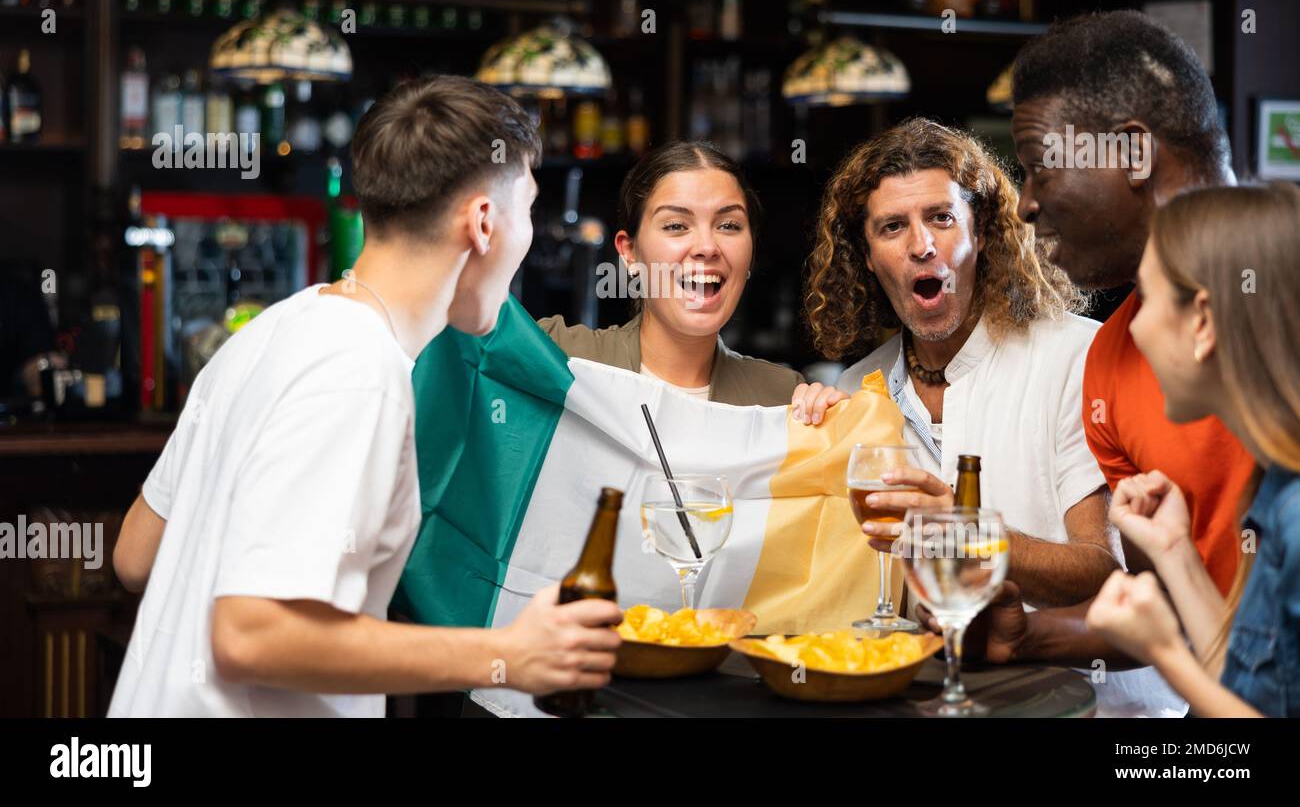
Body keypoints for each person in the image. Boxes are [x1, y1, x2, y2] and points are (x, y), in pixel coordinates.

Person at [109, 76, 623, 716]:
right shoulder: (358, 373)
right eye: (530, 207)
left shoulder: (272, 329)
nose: (529, 233)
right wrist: (506, 655)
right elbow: (249, 633)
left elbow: (134, 555)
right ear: (485, 222)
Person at [798, 118, 1120, 608]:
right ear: (866, 255)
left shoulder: (1076, 359)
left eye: (942, 218)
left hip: (1066, 681)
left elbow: (1103, 573)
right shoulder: (857, 389)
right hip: (926, 674)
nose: (921, 246)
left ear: (983, 232)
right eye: (892, 226)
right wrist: (808, 433)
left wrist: (966, 532)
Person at [1013, 9, 1252, 595]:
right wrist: (1025, 639)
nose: (1024, 205)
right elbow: (1169, 608)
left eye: (1040, 168)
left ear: (1132, 155)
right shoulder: (1110, 360)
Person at [1084, 184, 1300, 717]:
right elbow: (1248, 688)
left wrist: (1162, 651)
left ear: (1202, 322)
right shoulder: (1275, 486)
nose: (1133, 325)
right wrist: (1175, 550)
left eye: (1148, 299)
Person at [539, 140, 803, 406]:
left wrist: (832, 422)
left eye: (728, 225)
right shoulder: (560, 357)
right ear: (630, 252)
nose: (707, 247)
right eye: (676, 225)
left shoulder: (783, 398)